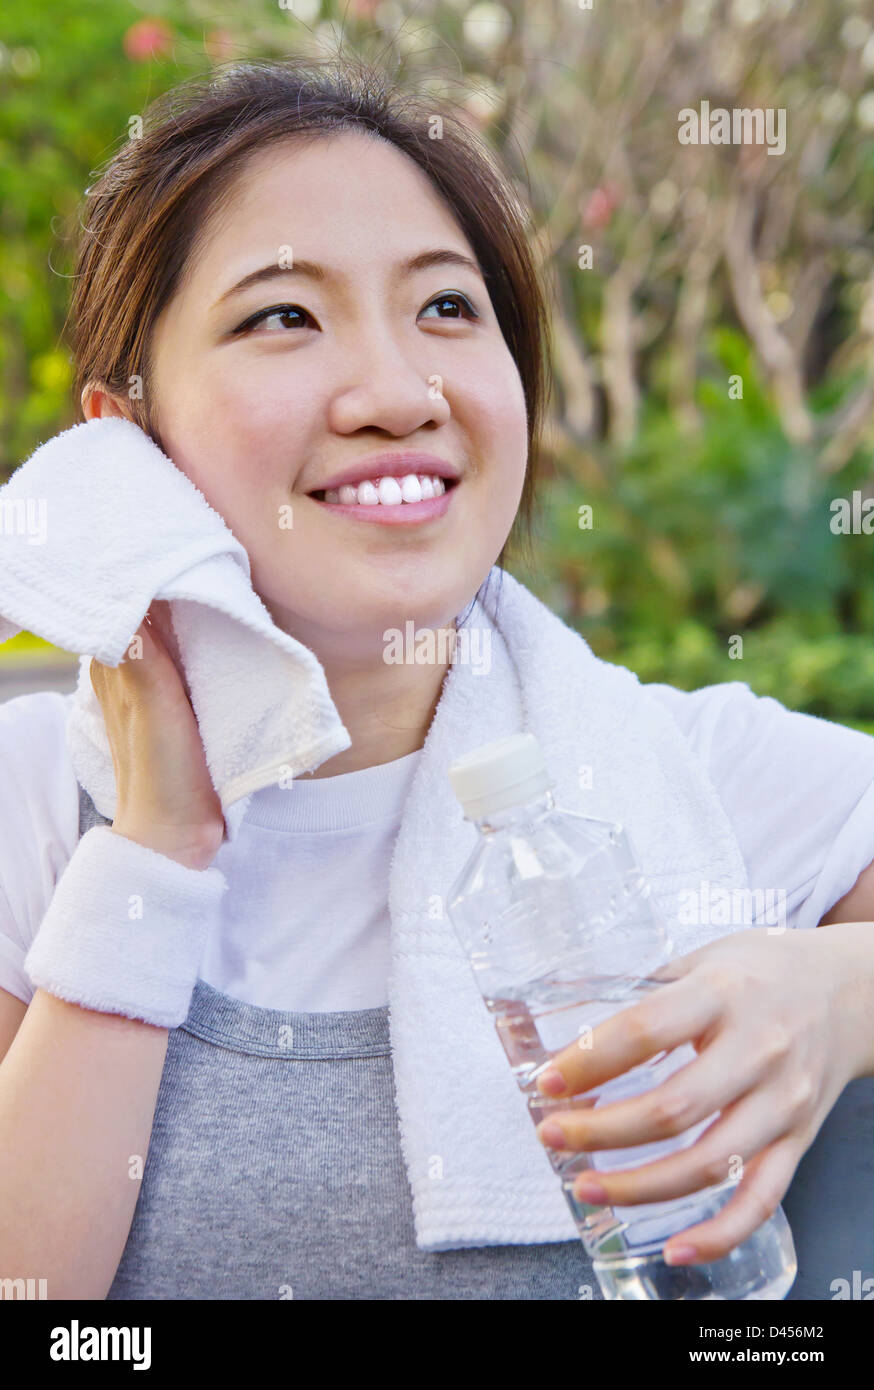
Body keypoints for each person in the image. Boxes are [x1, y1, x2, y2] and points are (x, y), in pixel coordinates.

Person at [1, 57, 873, 1301]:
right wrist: (152, 851)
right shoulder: (37, 810)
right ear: (122, 442)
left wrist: (840, 990)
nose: (400, 393)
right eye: (283, 315)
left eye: (448, 310)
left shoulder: (695, 773)